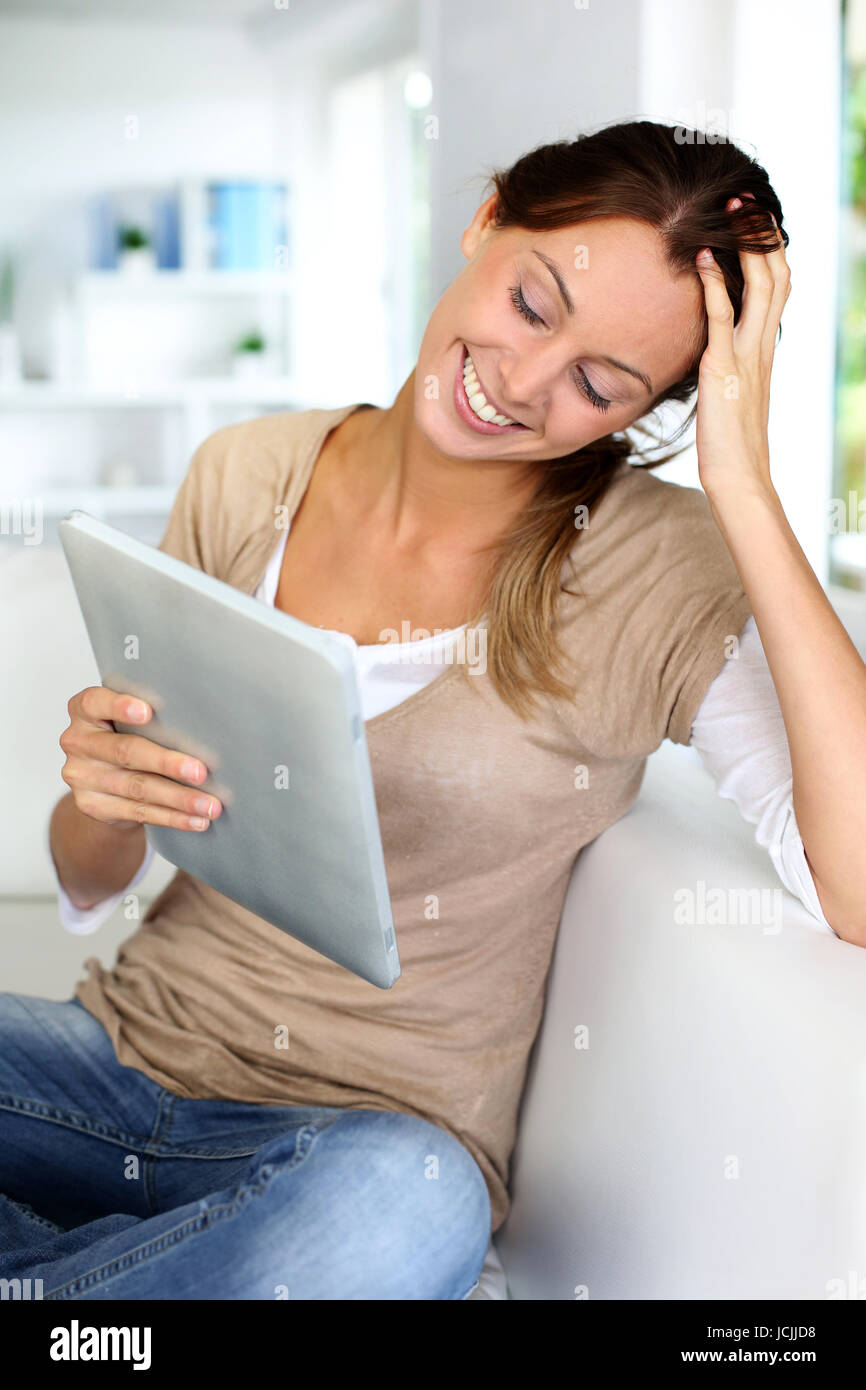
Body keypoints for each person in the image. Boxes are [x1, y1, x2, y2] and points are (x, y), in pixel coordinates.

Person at [3, 119, 865, 1301]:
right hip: (109, 1064)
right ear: (486, 219)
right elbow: (93, 872)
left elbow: (857, 885)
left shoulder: (658, 571)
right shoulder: (245, 473)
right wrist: (106, 795)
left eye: (598, 384)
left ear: (638, 414)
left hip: (362, 1146)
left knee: (405, 1215)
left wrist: (746, 485)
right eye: (529, 302)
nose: (518, 382)